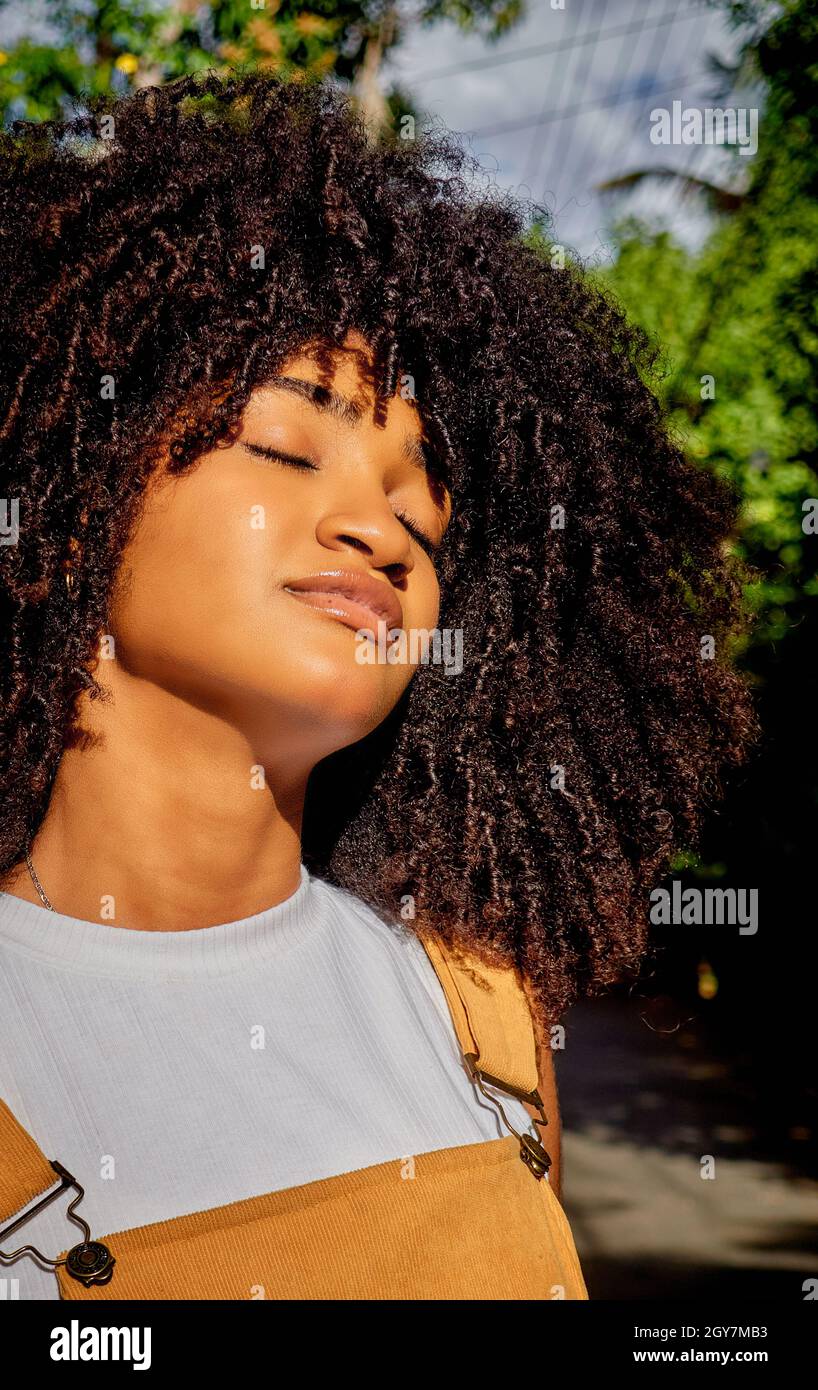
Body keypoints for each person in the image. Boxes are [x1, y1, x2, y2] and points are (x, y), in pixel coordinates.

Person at [0, 71, 755, 1301]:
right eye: (287, 447)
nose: (380, 532)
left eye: (422, 513)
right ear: (82, 517)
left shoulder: (481, 1017)